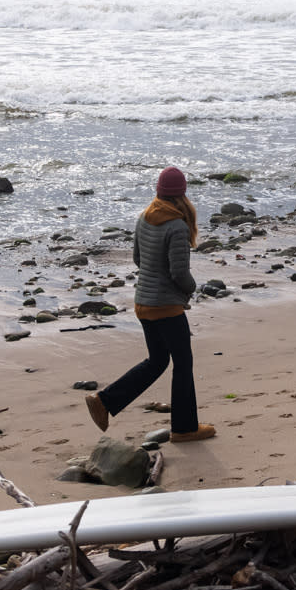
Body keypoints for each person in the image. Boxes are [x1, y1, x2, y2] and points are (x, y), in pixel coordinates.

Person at [84, 167, 216, 442]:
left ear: (158, 191)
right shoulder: (178, 225)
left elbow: (137, 259)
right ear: (183, 195)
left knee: (157, 361)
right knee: (182, 364)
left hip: (143, 303)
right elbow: (179, 273)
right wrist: (193, 288)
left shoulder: (144, 216)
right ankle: (184, 428)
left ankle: (104, 402)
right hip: (166, 307)